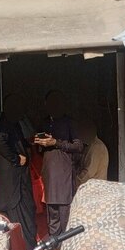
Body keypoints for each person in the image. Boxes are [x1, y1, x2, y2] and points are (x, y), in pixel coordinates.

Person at [36, 90, 84, 237]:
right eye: (50, 103)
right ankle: (55, 245)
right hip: (49, 173)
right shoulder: (44, 122)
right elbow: (39, 149)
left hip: (63, 172)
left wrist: (57, 142)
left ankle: (66, 244)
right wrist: (40, 143)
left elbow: (79, 146)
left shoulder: (69, 122)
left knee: (65, 211)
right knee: (52, 212)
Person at [0, 94, 37, 250]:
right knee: (20, 218)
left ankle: (28, 249)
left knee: (27, 214)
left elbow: (18, 141)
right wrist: (16, 158)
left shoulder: (14, 123)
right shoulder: (4, 124)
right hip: (13, 184)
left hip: (18, 180)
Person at [76, 120, 109, 186]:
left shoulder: (96, 147)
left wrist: (75, 181)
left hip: (94, 189)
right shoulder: (92, 145)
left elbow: (89, 172)